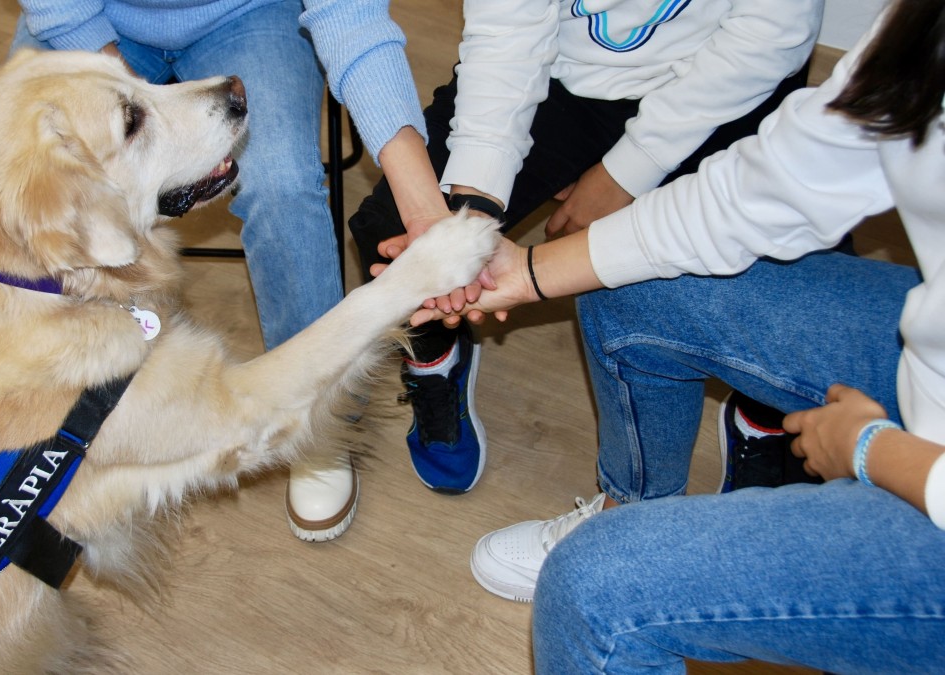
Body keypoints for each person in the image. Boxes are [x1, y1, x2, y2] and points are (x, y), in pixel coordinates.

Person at [392, 0, 945, 669]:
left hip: (920, 467)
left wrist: (875, 452)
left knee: (591, 594)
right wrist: (530, 269)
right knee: (620, 278)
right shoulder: (920, 27)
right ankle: (634, 505)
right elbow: (768, 190)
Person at [8, 0, 452, 542]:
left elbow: (349, 15)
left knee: (282, 185)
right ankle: (44, 413)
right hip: (86, 19)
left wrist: (425, 210)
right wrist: (144, 112)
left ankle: (314, 420)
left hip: (253, 12)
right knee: (23, 202)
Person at [348, 0, 824, 496]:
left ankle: (764, 421)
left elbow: (770, 34)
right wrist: (473, 215)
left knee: (795, 279)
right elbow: (507, 33)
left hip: (728, 83)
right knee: (390, 235)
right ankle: (436, 361)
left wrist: (628, 169)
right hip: (561, 69)